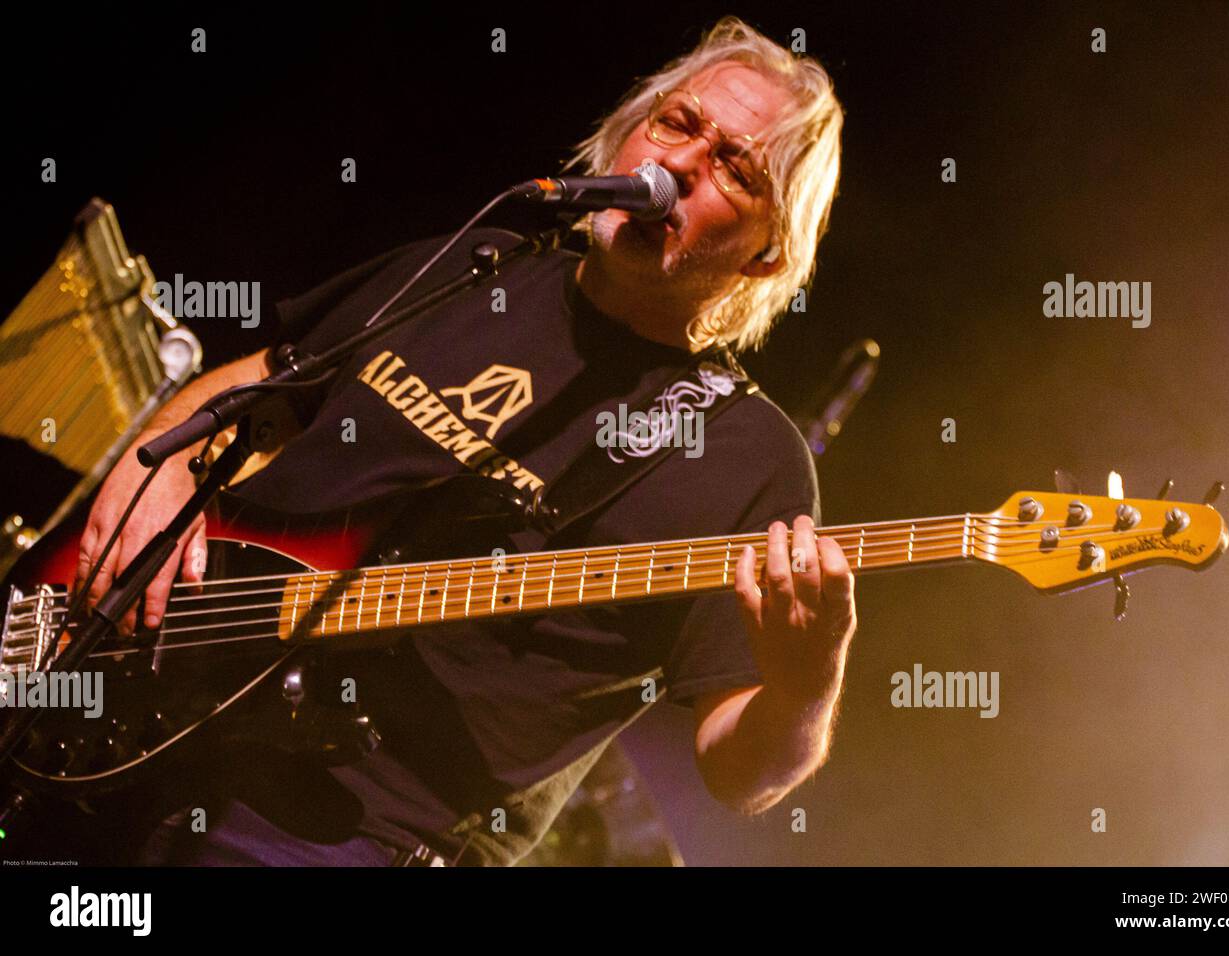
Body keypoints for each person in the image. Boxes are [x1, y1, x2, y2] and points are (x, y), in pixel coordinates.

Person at [57, 16, 852, 866]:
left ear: (769, 254)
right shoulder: (482, 264)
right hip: (140, 715)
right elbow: (263, 384)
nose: (683, 166)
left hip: (347, 834)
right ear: (627, 133)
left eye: (735, 167)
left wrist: (807, 684)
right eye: (678, 123)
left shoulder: (747, 457)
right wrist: (161, 470)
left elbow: (741, 774)